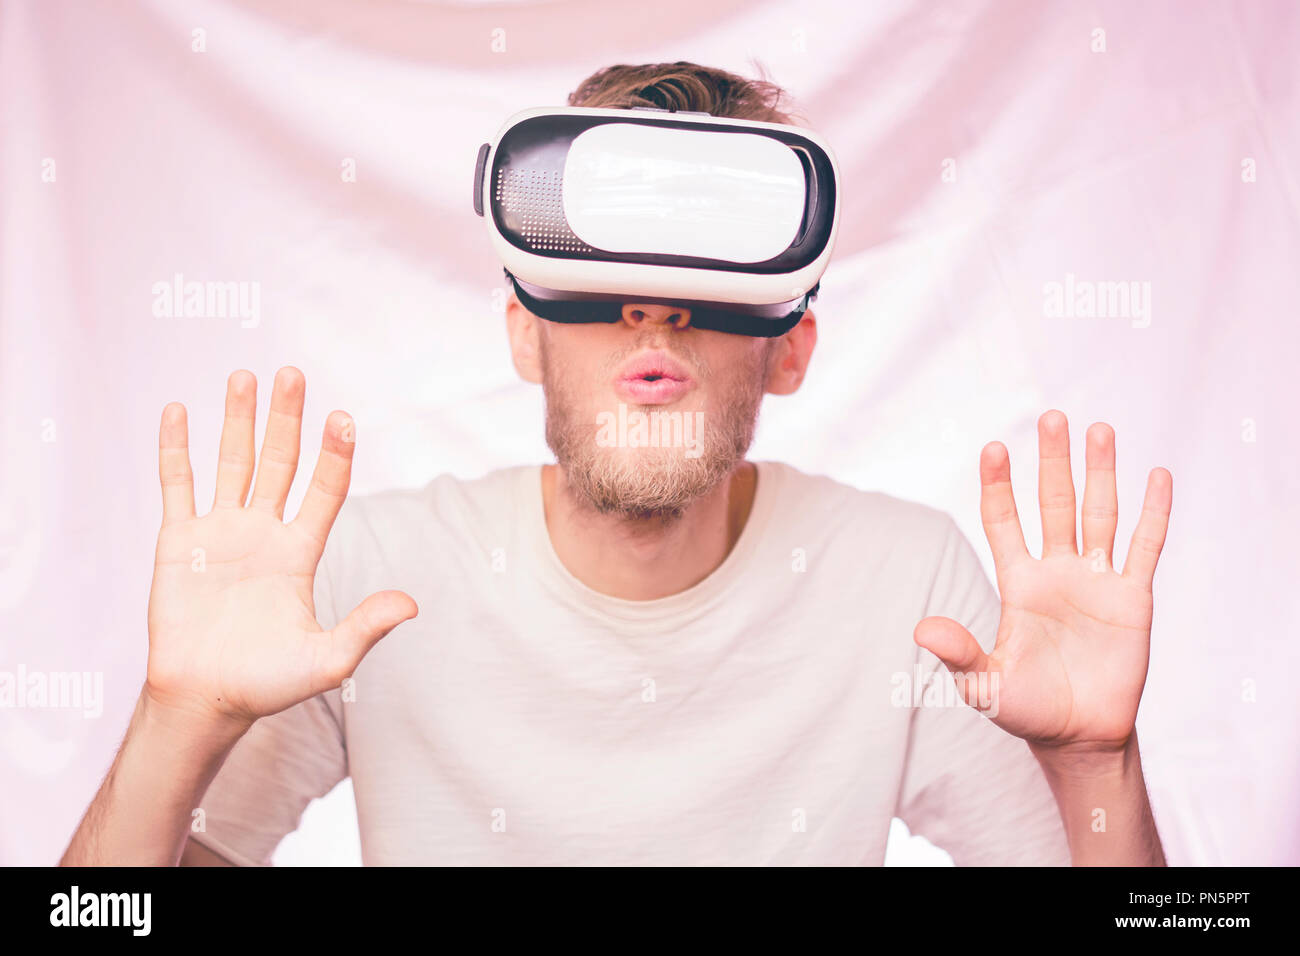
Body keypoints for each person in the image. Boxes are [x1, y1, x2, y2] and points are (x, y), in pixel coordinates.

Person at [61, 62, 1170, 867]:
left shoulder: (906, 585)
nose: (651, 309)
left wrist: (1095, 768)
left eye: (703, 275)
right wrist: (175, 717)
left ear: (789, 346)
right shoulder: (373, 580)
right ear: (522, 331)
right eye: (605, 272)